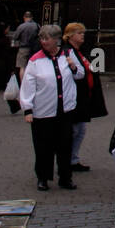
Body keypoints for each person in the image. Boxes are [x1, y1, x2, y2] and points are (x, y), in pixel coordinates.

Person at [20, 24, 83, 191]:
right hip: (43, 112)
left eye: (46, 38)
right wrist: (28, 109)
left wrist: (73, 67)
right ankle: (43, 177)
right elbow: (28, 86)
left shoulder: (68, 54)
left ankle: (65, 177)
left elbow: (80, 74)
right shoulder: (35, 60)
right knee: (43, 147)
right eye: (41, 38)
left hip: (65, 111)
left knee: (65, 145)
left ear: (56, 40)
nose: (43, 42)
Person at [62, 22, 107, 172]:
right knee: (75, 130)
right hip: (75, 96)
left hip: (82, 96)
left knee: (80, 130)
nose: (82, 36)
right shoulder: (68, 52)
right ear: (70, 35)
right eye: (79, 33)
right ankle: (68, 159)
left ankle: (73, 158)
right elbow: (77, 73)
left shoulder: (78, 51)